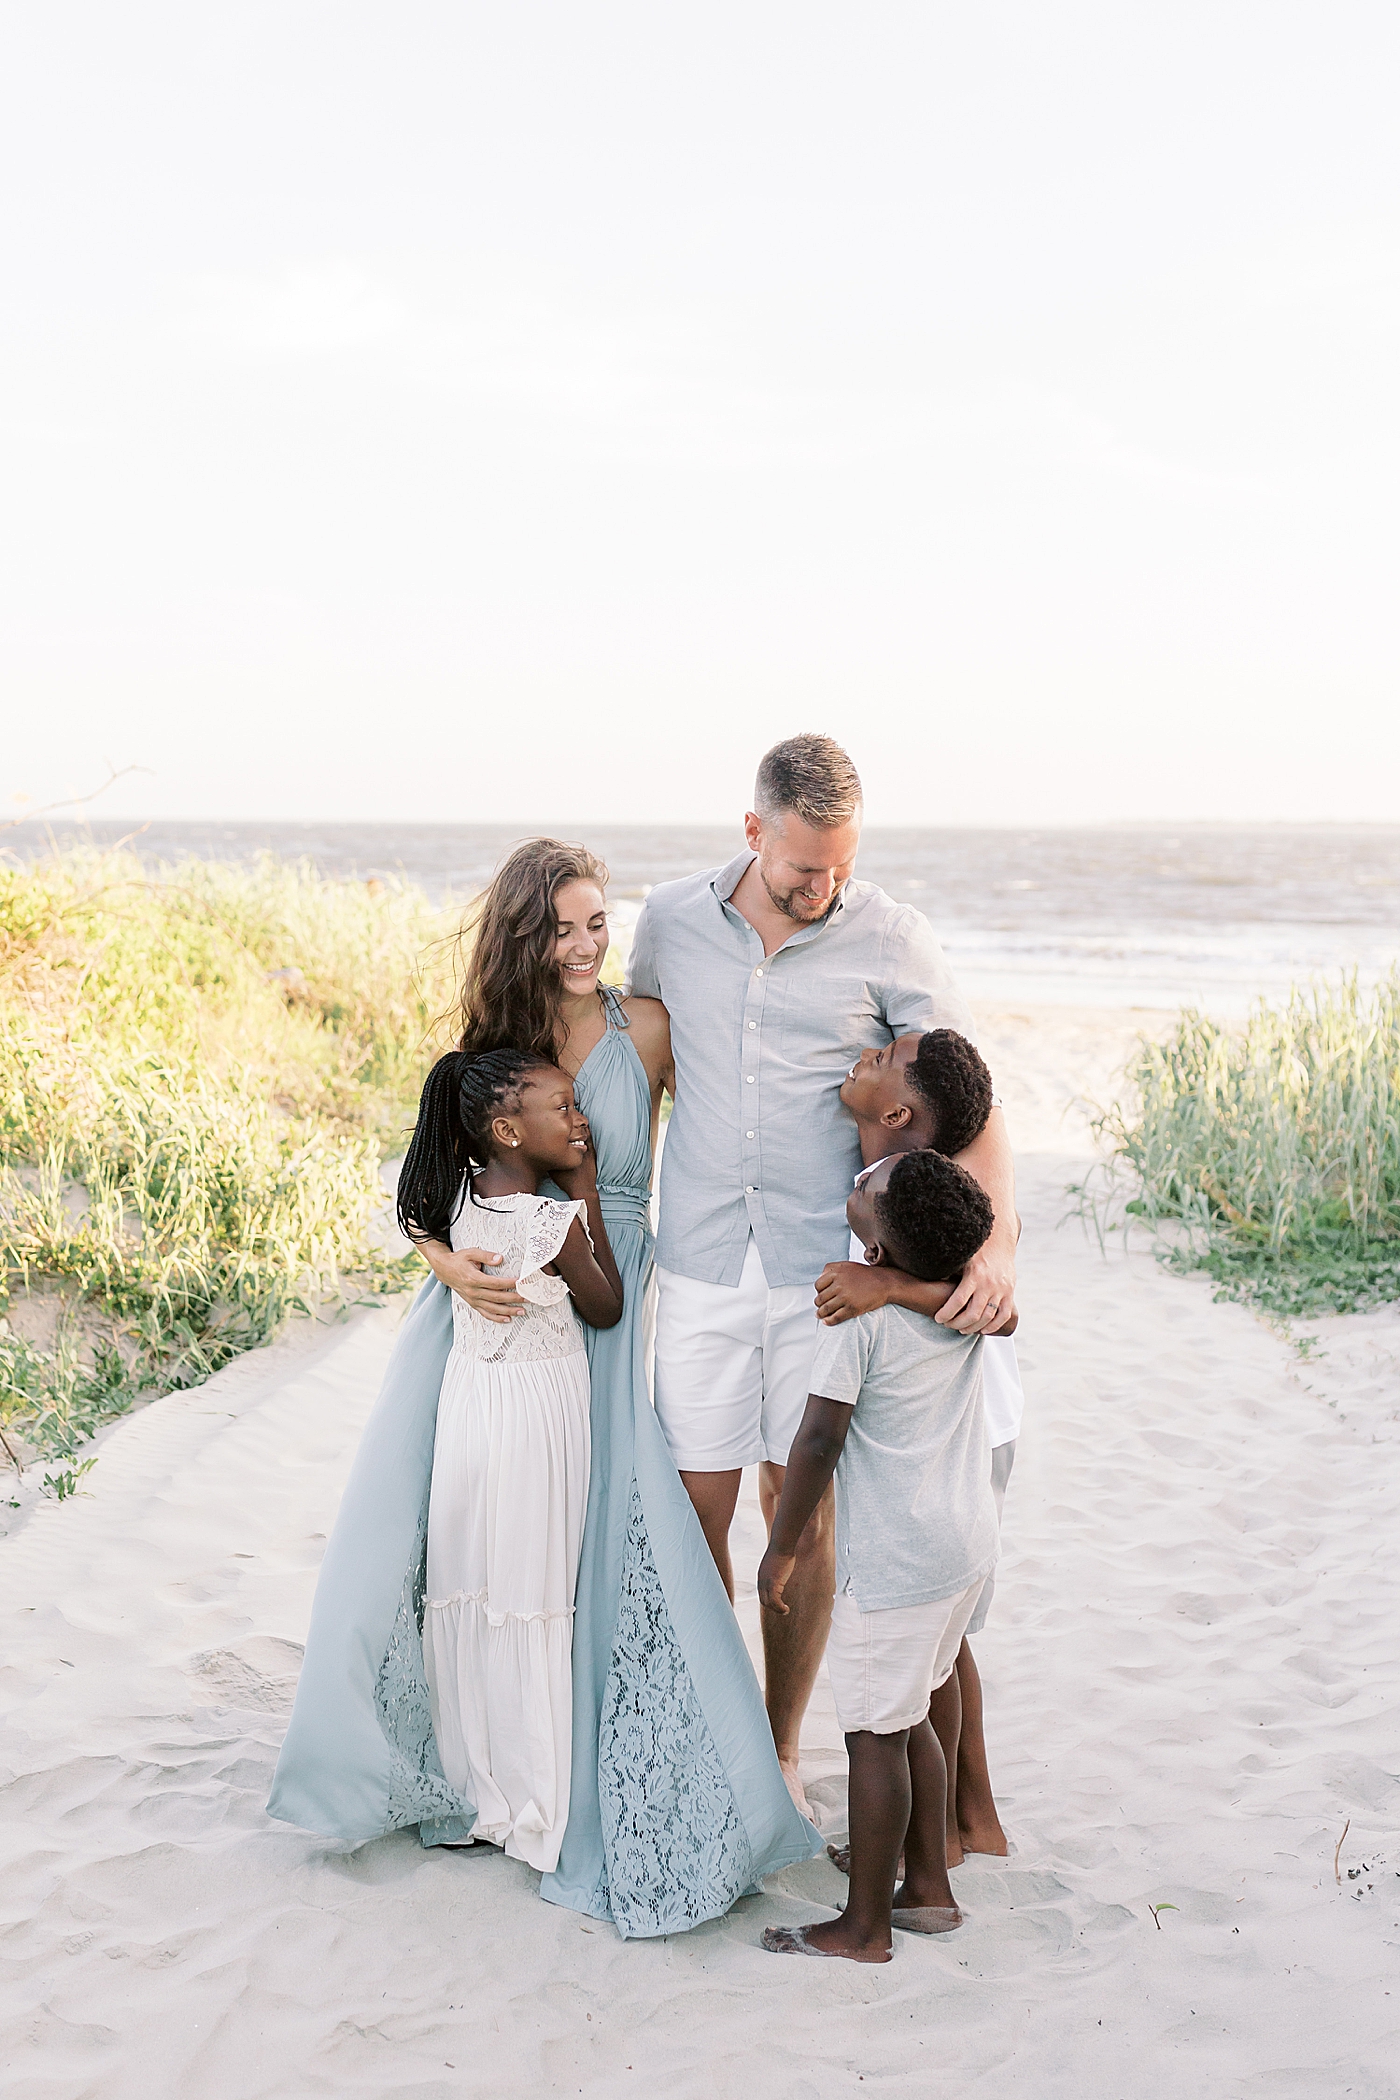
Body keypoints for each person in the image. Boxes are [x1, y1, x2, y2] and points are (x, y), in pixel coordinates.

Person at [268, 841, 819, 1937]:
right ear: (524, 936)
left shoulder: (646, 1030)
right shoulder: (498, 1052)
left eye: (594, 925)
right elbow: (425, 1180)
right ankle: (482, 1755)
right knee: (455, 1528)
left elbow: (733, 1132)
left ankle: (643, 1755)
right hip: (498, 1305)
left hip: (609, 1289)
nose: (579, 947)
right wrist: (442, 1265)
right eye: (558, 929)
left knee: (613, 1522)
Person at [625, 734, 1019, 1813]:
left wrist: (990, 1246)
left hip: (823, 1274)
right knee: (690, 1509)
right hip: (700, 1258)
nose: (823, 884)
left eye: (840, 863)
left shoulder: (893, 934)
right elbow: (639, 1078)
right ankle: (713, 1741)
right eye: (804, 865)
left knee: (794, 1518)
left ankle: (779, 1751)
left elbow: (968, 1107)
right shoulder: (666, 921)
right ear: (753, 831)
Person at [757, 1148, 1017, 1962]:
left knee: (872, 1732)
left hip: (897, 1564)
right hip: (962, 1548)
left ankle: (862, 1925)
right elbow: (1003, 1315)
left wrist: (783, 1545)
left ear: (879, 1247)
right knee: (913, 1716)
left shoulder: (857, 1317)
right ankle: (928, 1889)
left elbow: (819, 1437)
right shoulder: (956, 1306)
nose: (859, 1178)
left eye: (869, 1187)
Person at [393, 1046, 624, 1871]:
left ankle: (471, 1787)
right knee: (532, 1590)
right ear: (506, 1130)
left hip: (471, 1406)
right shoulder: (551, 1222)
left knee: (469, 1582)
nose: (579, 1120)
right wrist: (590, 1196)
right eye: (562, 1109)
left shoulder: (454, 1201)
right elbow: (606, 1307)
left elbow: (414, 1213)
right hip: (537, 1413)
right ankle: (532, 1797)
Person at [819, 1028, 1023, 1866]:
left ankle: (954, 1828)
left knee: (935, 1641)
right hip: (940, 1422)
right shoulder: (893, 1166)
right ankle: (956, 1825)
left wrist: (890, 1285)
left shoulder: (938, 1188)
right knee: (942, 1642)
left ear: (902, 1109)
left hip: (968, 1428)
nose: (868, 1051)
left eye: (887, 1053)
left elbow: (999, 1309)